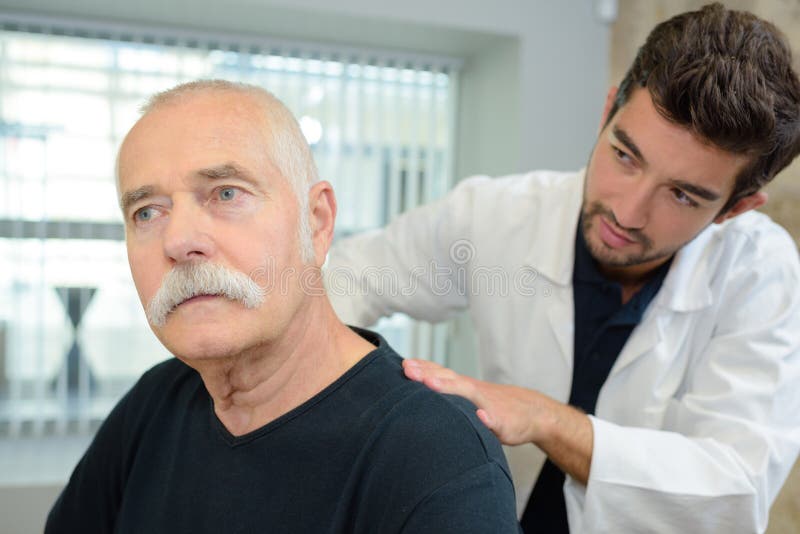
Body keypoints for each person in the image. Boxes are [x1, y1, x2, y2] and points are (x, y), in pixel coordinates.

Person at [326, 4, 800, 533]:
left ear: (735, 208)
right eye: (625, 156)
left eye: (683, 195)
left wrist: (544, 419)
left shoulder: (759, 271)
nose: (627, 211)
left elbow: (734, 491)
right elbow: (349, 277)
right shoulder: (496, 214)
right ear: (606, 114)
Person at [44, 80, 521, 534]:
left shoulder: (435, 454)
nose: (179, 240)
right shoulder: (154, 404)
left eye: (226, 193)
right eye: (146, 211)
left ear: (317, 223)